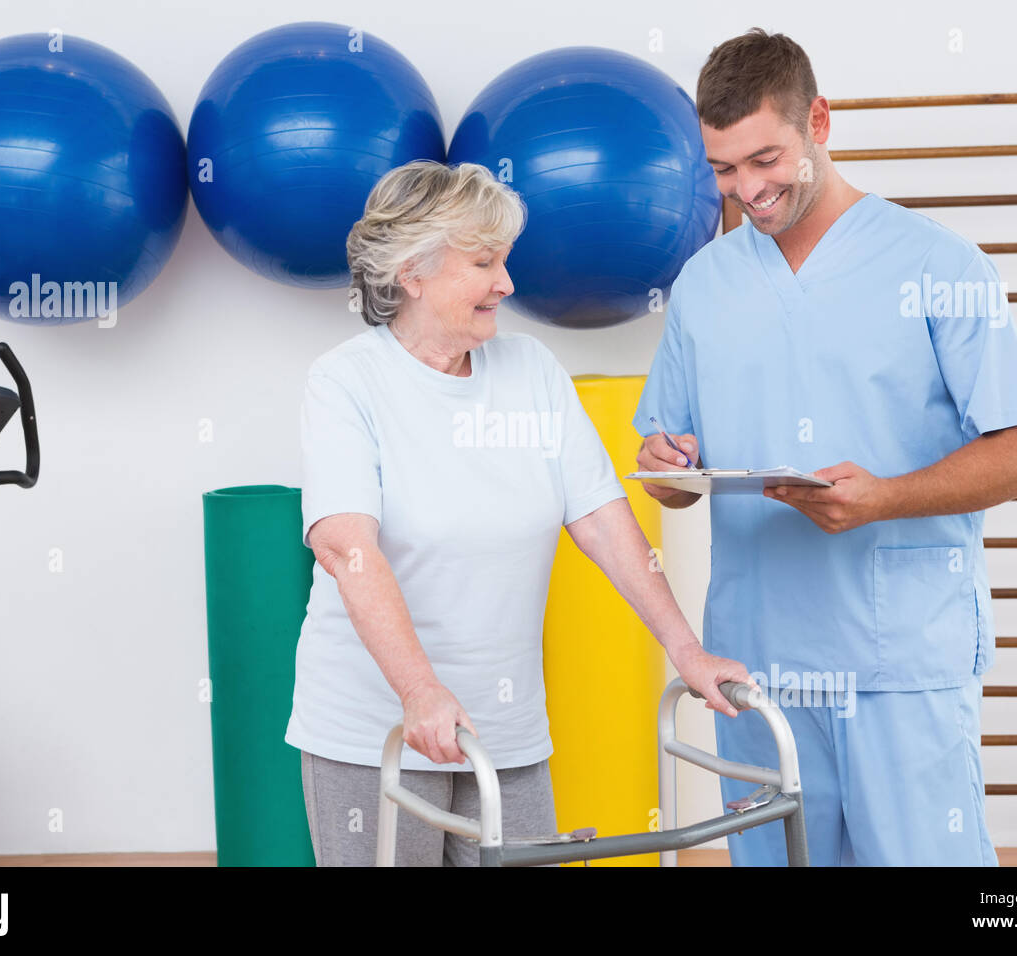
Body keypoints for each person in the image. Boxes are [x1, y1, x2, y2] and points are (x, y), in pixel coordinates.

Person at [634, 29, 1017, 866]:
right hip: (758, 663)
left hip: (899, 661)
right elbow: (667, 472)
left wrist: (887, 497)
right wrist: (665, 469)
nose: (747, 189)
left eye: (766, 159)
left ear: (819, 121)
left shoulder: (941, 263)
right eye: (723, 169)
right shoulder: (704, 285)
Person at [286, 160, 756, 867]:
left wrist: (685, 650)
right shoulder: (346, 382)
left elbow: (602, 521)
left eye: (506, 260)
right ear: (412, 271)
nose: (506, 283)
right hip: (375, 729)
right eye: (484, 262)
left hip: (506, 732)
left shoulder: (532, 370)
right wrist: (420, 692)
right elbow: (348, 549)